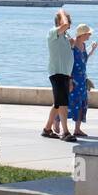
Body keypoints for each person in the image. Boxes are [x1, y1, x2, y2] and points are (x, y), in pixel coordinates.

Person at [43, 10, 75, 141]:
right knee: (63, 103)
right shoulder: (52, 33)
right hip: (57, 72)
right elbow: (65, 25)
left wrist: (70, 79)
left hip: (65, 74)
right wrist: (62, 13)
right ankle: (66, 132)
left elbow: (68, 55)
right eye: (67, 21)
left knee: (58, 104)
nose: (69, 24)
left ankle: (47, 129)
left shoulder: (65, 36)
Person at [68, 24, 97, 138]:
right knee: (69, 102)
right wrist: (70, 79)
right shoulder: (72, 45)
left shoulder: (84, 45)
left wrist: (92, 50)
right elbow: (68, 62)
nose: (89, 35)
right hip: (74, 79)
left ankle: (77, 129)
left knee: (82, 104)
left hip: (82, 79)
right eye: (88, 34)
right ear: (82, 34)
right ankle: (57, 124)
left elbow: (84, 60)